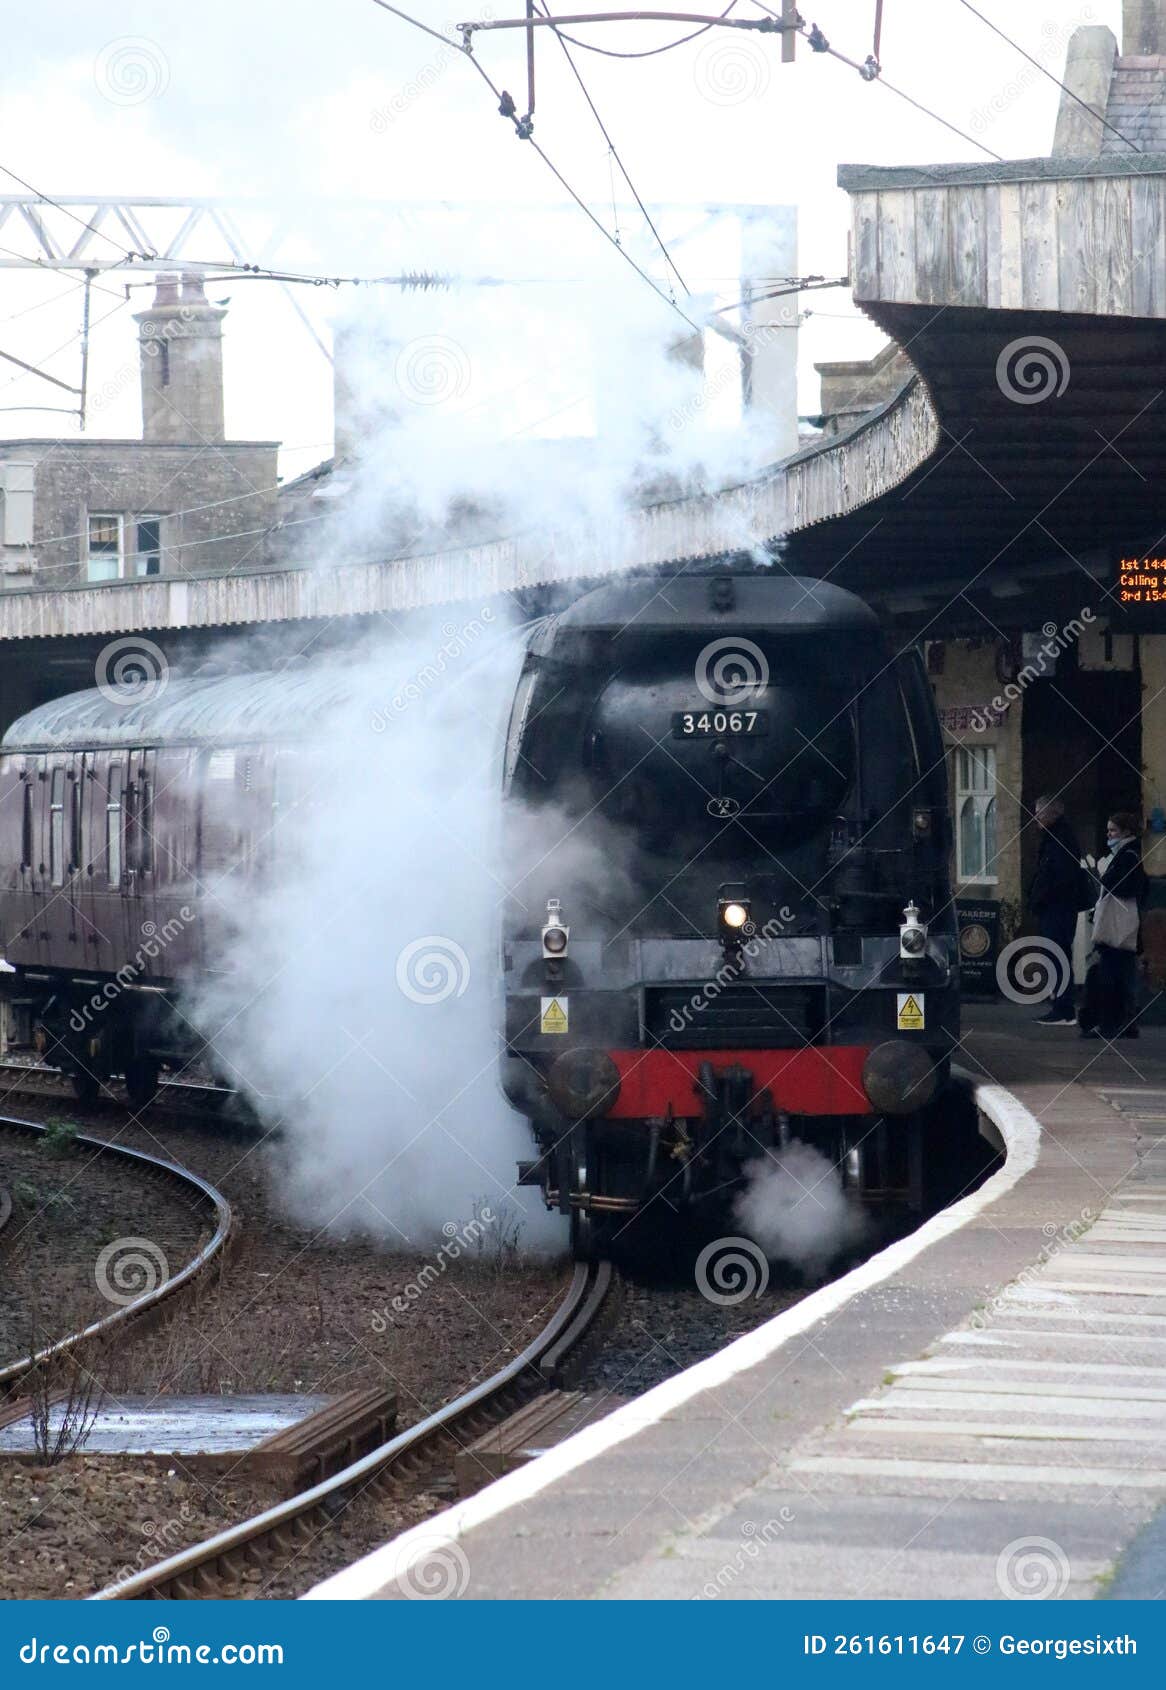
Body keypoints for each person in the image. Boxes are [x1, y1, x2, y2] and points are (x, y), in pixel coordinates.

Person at [1083, 811, 1148, 1041]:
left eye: (1113, 831)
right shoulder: (1126, 853)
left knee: (1112, 977)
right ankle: (1125, 1022)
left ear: (1126, 832)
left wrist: (1100, 872)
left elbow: (1121, 885)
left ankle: (1110, 1023)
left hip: (1119, 927)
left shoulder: (1128, 855)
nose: (1108, 835)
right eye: (1108, 830)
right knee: (1123, 976)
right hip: (1120, 925)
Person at [1027, 795, 1087, 1026]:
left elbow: (1059, 876)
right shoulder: (1054, 837)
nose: (1036, 819)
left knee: (1058, 955)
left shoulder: (1060, 839)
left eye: (1039, 813)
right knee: (1055, 956)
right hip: (1055, 907)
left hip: (1059, 908)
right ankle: (1060, 1006)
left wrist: (1042, 897)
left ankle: (1064, 1009)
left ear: (1052, 814)